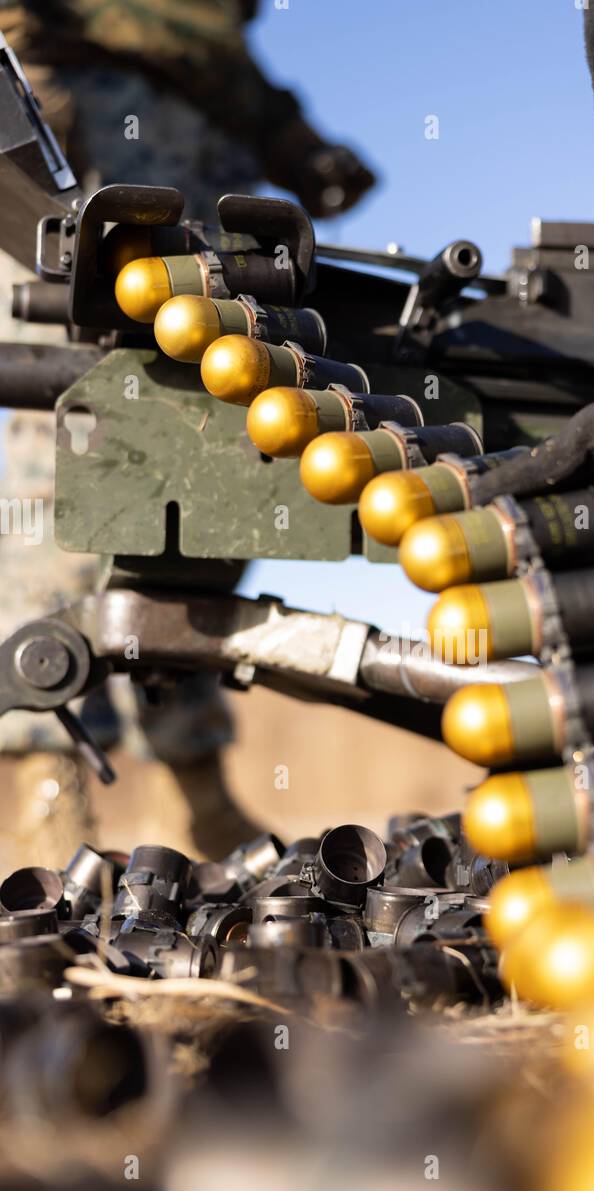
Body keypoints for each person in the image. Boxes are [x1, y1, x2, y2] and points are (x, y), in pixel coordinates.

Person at [0, 0, 376, 868]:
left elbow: (251, 93)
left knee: (194, 517)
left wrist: (297, 147)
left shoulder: (211, 44)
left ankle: (198, 795)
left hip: (203, 225)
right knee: (58, 513)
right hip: (81, 204)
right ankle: (46, 808)